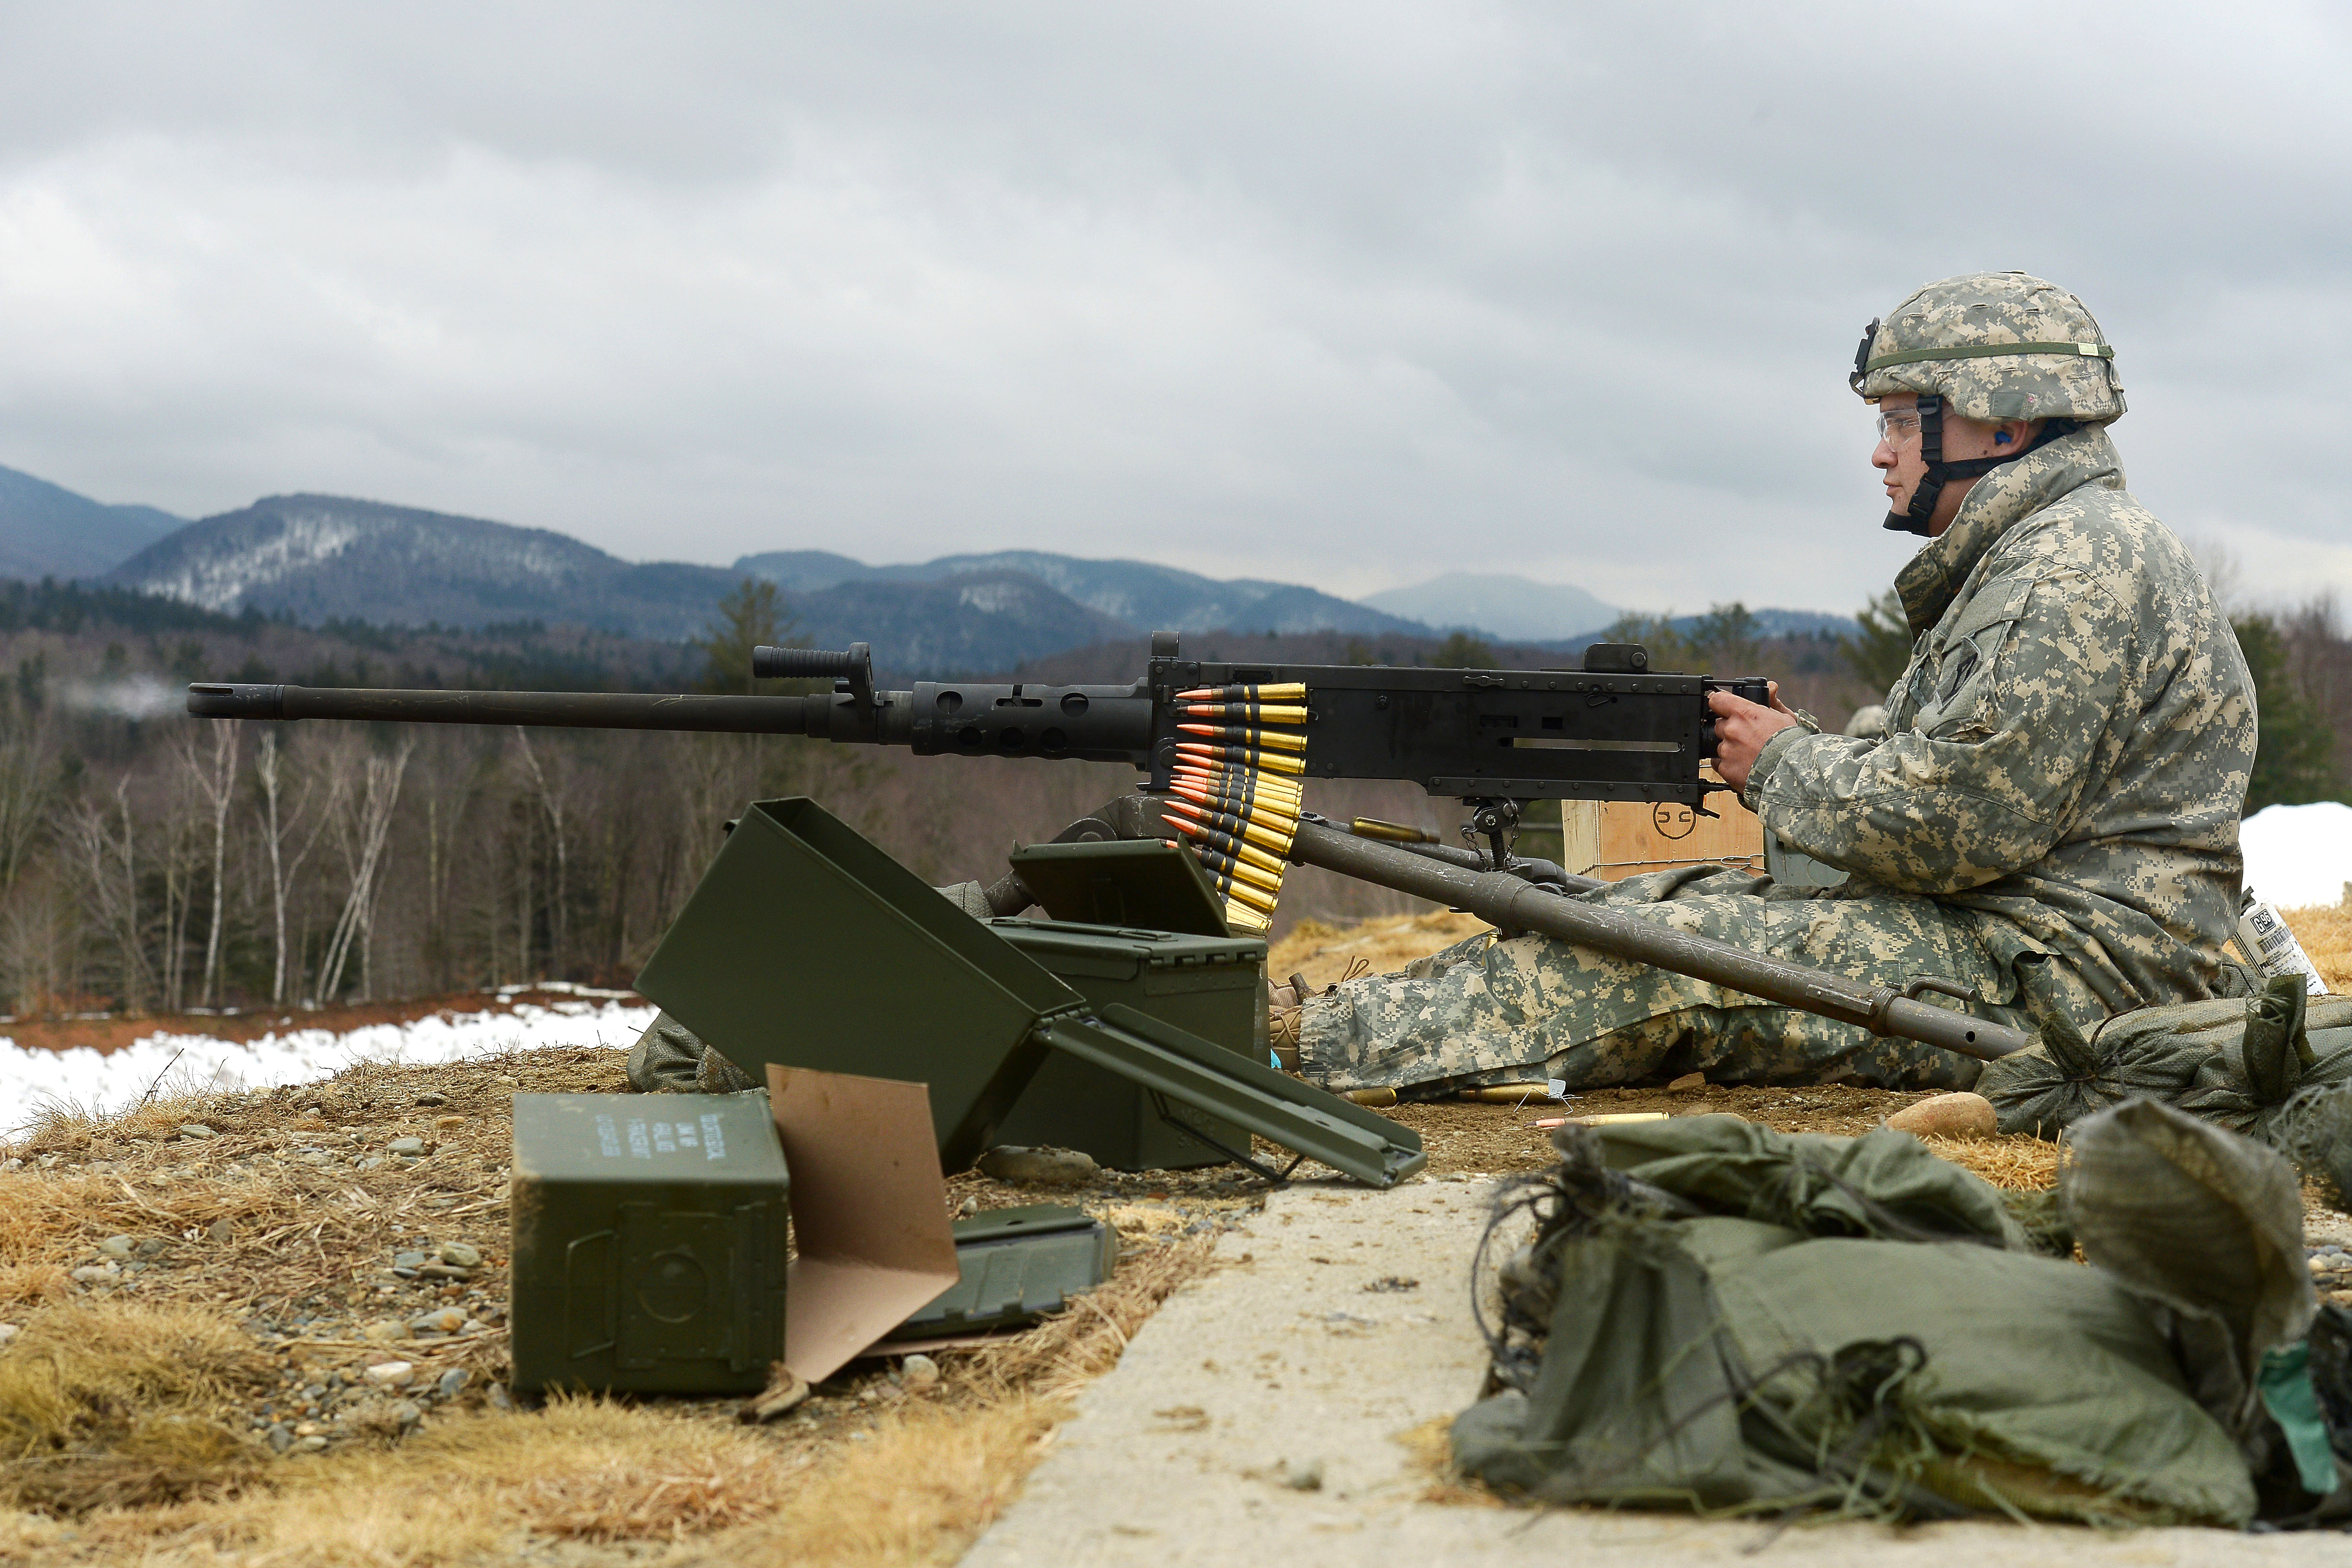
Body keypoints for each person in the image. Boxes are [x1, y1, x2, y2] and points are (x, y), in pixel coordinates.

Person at [1295, 272, 2257, 1094]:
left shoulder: (2068, 568)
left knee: (1680, 965)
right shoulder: (2056, 550)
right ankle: (1331, 1016)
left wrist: (1786, 765)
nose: (1882, 451)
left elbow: (1964, 823)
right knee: (1634, 912)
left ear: (2003, 426)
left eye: (1901, 420)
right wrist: (1822, 756)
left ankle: (1304, 1045)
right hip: (2039, 939)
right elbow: (1977, 778)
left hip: (2080, 979)